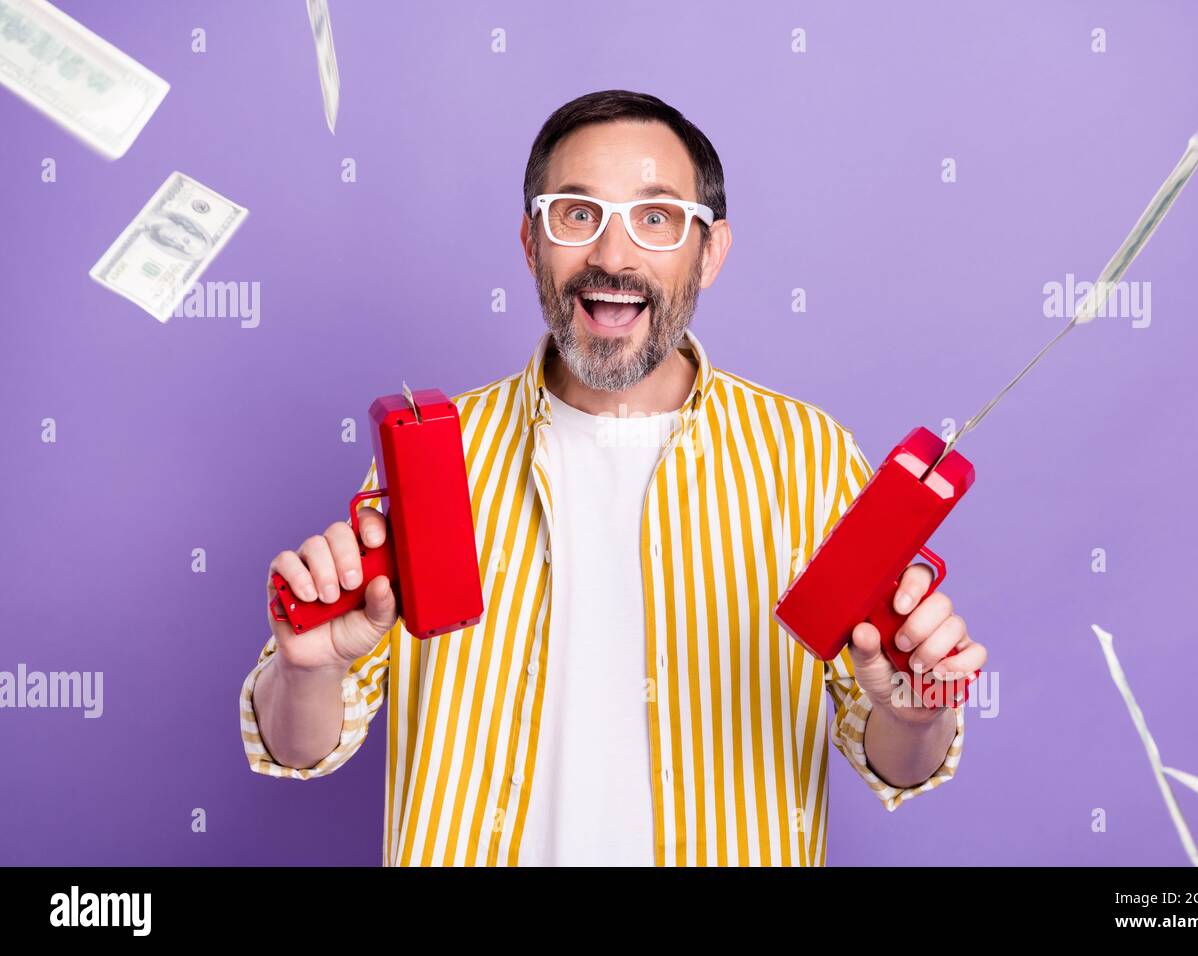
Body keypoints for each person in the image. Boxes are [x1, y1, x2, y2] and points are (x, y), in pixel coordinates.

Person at [240, 89, 988, 867]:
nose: (613, 256)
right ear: (531, 242)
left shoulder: (810, 456)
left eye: (656, 218)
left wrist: (914, 713)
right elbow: (299, 748)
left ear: (712, 250)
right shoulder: (435, 454)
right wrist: (307, 672)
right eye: (576, 214)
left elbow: (900, 761)